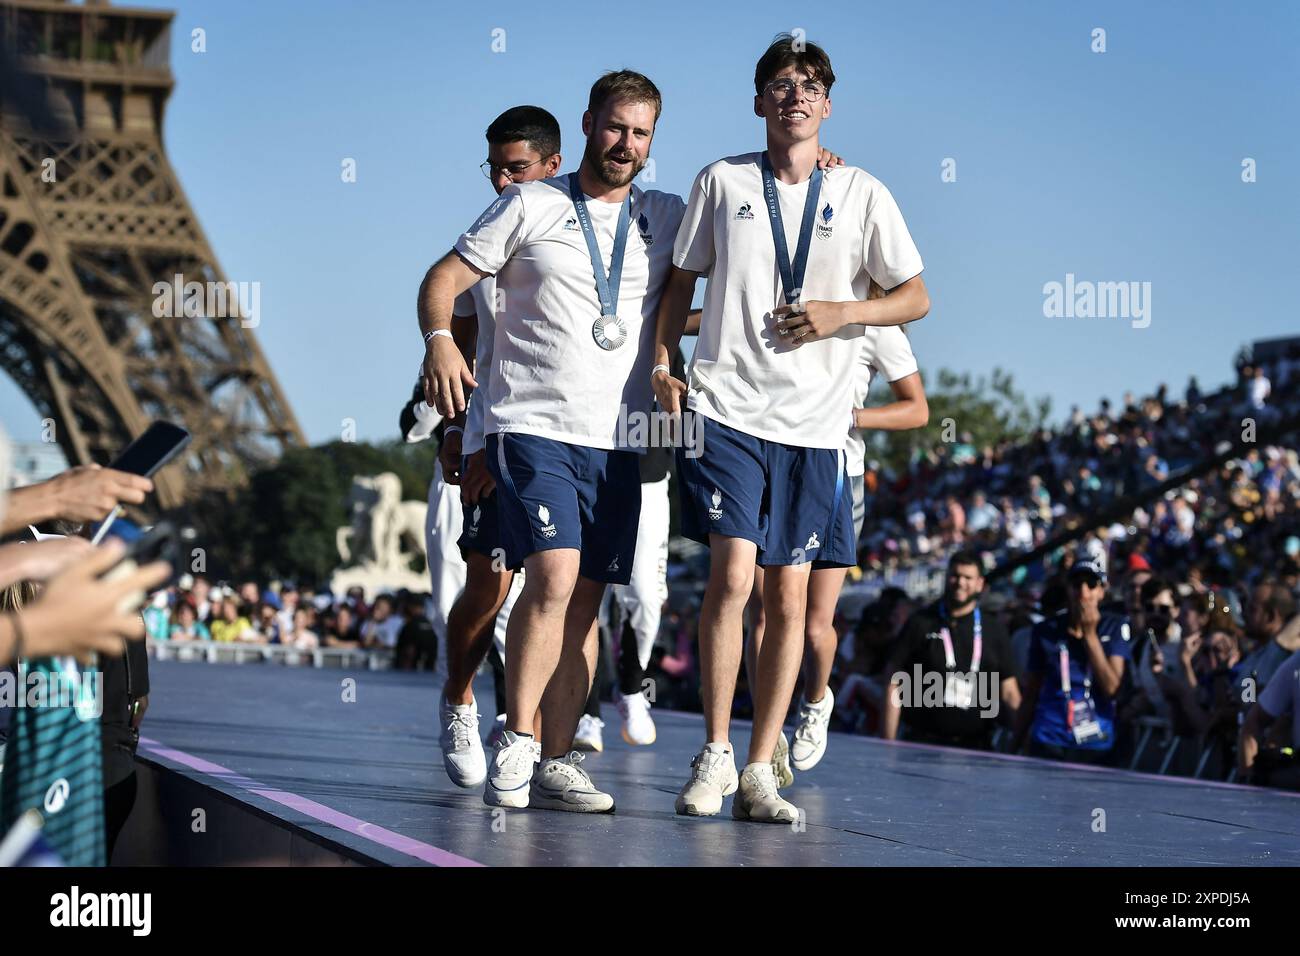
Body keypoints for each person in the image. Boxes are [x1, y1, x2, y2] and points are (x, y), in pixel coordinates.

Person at [653, 34, 929, 822]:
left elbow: (915, 296)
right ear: (758, 99)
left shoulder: (864, 192)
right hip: (727, 408)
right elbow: (681, 278)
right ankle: (713, 750)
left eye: (809, 85)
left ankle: (761, 765)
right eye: (780, 83)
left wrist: (849, 311)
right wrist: (663, 360)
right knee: (733, 577)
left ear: (828, 105)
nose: (795, 95)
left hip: (816, 430)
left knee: (787, 604)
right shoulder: (722, 179)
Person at [421, 71, 687, 813]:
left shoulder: (666, 216)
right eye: (614, 127)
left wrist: (814, 159)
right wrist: (441, 345)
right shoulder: (529, 206)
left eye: (640, 133)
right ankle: (507, 727)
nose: (625, 143)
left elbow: (750, 234)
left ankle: (557, 757)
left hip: (619, 439)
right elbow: (444, 280)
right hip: (526, 426)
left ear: (652, 140)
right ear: (588, 124)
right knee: (541, 577)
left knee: (585, 603)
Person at [429, 105, 561, 788]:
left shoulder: (585, 228)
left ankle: (529, 734)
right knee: (489, 584)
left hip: (577, 441)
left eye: (518, 169)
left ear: (552, 166)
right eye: (496, 169)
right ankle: (457, 696)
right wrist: (456, 428)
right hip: (494, 436)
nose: (504, 182)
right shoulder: (485, 238)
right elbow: (459, 342)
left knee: (561, 586)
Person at [749, 312, 928, 777]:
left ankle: (815, 700)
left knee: (813, 624)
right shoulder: (795, 300)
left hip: (838, 477)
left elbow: (917, 408)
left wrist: (853, 415)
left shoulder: (877, 328)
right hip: (776, 465)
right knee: (764, 611)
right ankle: (765, 732)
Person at [882, 550, 1020, 750]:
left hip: (976, 750)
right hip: (920, 744)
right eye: (955, 575)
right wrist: (887, 743)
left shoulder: (994, 629)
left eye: (968, 578)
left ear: (980, 583)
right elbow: (893, 683)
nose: (960, 583)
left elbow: (1009, 692)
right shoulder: (920, 622)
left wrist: (1022, 744)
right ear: (946, 578)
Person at [1015, 553, 1133, 764]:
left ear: (1102, 590)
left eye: (1091, 584)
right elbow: (1032, 691)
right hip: (1050, 738)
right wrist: (1015, 740)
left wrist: (1090, 636)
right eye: (1077, 584)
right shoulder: (1046, 630)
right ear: (1067, 588)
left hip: (1096, 742)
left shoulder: (1114, 627)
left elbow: (1113, 689)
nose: (1083, 592)